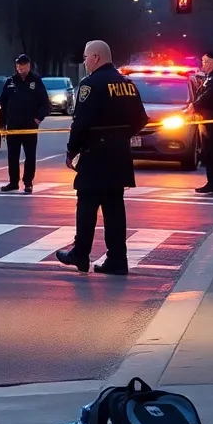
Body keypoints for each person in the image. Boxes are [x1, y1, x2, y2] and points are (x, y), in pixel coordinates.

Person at [55, 40, 149, 275]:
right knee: (114, 208)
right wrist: (121, 136)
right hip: (119, 155)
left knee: (86, 204)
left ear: (96, 57)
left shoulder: (90, 84)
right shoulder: (127, 84)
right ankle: (118, 259)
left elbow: (81, 123)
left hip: (95, 155)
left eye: (86, 57)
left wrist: (71, 150)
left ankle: (81, 254)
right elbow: (141, 119)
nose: (84, 62)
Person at [0, 54, 51, 193]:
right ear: (16, 66)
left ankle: (28, 182)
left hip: (29, 125)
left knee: (30, 154)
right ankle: (13, 182)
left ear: (29, 65)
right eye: (19, 65)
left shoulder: (36, 81)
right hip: (13, 125)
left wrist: (38, 118)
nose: (21, 67)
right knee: (12, 155)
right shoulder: (10, 81)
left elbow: (45, 103)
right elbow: (2, 103)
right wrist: (2, 124)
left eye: (24, 65)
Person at [188, 52, 213, 195]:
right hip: (207, 121)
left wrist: (193, 107)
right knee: (210, 153)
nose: (202, 64)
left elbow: (207, 97)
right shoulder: (211, 78)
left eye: (205, 62)